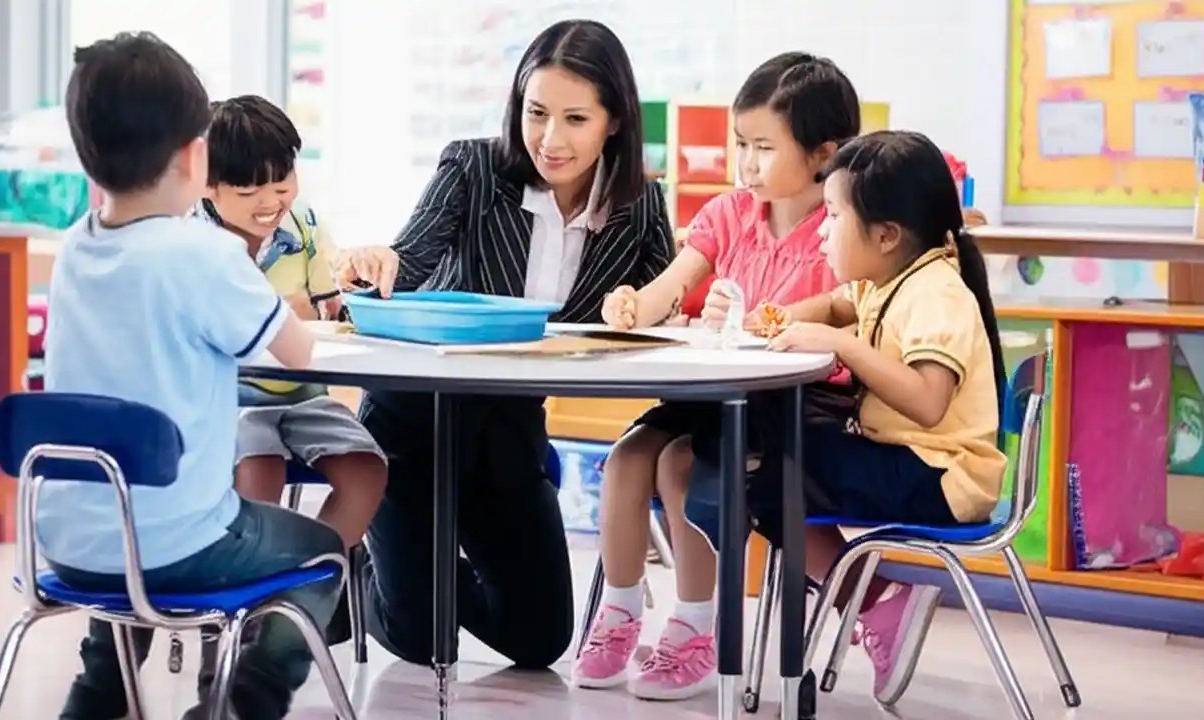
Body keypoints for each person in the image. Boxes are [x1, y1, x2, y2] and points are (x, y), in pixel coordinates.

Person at [334, 19, 674, 669]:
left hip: (509, 443)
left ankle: (413, 577)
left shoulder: (641, 207)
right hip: (417, 429)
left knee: (541, 640)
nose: (550, 138)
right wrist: (379, 260)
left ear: (615, 122)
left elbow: (667, 309)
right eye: (536, 112)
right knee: (421, 640)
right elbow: (411, 254)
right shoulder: (474, 168)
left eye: (576, 118)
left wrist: (683, 308)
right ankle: (371, 574)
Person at [41, 33, 343, 720]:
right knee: (323, 554)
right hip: (183, 547)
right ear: (193, 154)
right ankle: (244, 702)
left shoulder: (74, 248)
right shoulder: (202, 255)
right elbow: (297, 352)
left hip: (65, 543)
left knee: (132, 523)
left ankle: (99, 695)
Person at [578, 52, 859, 700]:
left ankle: (696, 629)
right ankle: (619, 614)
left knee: (680, 464)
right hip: (713, 396)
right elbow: (676, 282)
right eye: (741, 145)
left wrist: (752, 320)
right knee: (625, 460)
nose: (747, 163)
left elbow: (840, 320)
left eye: (764, 147)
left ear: (823, 152)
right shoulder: (730, 214)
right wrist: (635, 305)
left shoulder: (841, 229)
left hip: (791, 405)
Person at [703, 130, 1008, 706]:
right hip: (915, 465)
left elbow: (927, 400)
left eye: (834, 215)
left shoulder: (935, 295)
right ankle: (874, 600)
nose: (821, 228)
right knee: (774, 471)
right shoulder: (893, 277)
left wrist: (838, 346)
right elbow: (840, 304)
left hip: (939, 477)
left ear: (887, 235)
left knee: (767, 475)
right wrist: (781, 318)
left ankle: (876, 601)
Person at [199, 96, 388, 643]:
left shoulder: (304, 227)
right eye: (250, 189)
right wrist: (295, 313)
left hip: (304, 395)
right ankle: (244, 610)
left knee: (366, 469)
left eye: (282, 182)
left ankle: (297, 597)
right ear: (207, 186)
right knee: (259, 472)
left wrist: (355, 284)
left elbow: (329, 309)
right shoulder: (193, 242)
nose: (271, 201)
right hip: (230, 401)